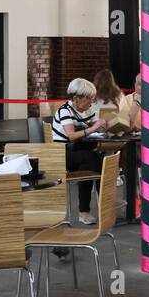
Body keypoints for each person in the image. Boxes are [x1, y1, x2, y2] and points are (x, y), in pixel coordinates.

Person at [52, 78, 105, 224]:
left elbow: (94, 124)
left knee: (90, 162)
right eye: (89, 99)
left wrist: (102, 125)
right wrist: (93, 128)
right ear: (76, 98)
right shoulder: (64, 111)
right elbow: (71, 136)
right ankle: (100, 206)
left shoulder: (86, 110)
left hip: (78, 151)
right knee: (93, 159)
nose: (91, 103)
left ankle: (87, 210)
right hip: (62, 152)